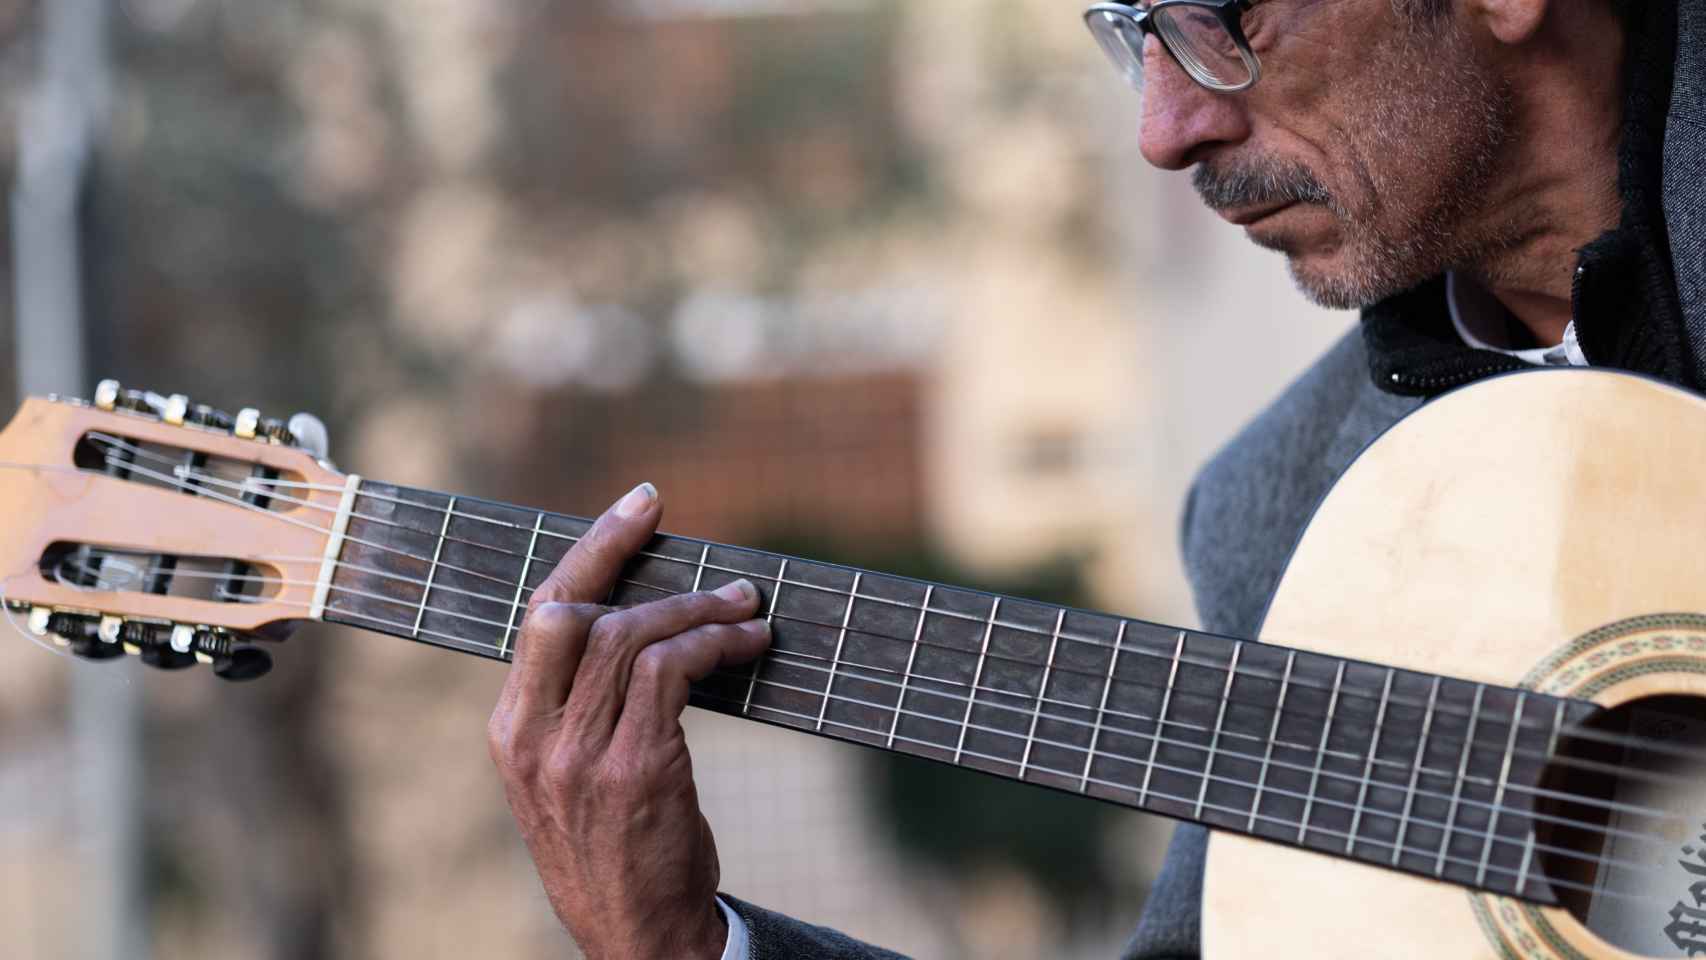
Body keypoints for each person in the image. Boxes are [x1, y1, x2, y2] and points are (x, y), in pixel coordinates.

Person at [483, 0, 1706, 956]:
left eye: (1218, 25)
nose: (1165, 132)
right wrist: (682, 949)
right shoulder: (1288, 510)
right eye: (1131, 38)